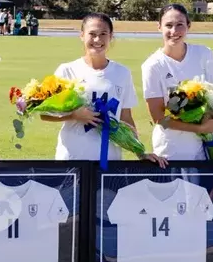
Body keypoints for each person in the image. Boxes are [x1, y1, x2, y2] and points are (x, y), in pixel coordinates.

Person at [47, 12, 159, 164]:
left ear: (111, 36)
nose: (97, 40)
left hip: (109, 160)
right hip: (72, 158)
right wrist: (74, 116)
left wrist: (140, 152)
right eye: (92, 34)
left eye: (103, 34)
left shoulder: (122, 73)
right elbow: (45, 114)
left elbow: (126, 118)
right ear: (82, 35)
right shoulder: (67, 70)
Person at [142, 4, 213, 165]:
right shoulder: (153, 66)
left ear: (188, 26)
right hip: (171, 150)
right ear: (159, 27)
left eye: (180, 25)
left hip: (207, 148)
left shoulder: (204, 53)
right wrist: (199, 129)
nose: (174, 31)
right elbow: (158, 119)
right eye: (168, 25)